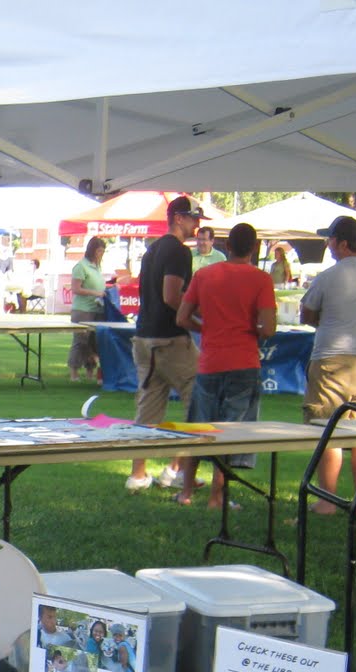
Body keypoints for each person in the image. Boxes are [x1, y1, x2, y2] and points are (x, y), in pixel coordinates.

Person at [173, 222, 277, 508]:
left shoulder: (204, 275)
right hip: (243, 362)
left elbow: (182, 318)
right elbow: (268, 328)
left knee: (198, 428)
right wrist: (248, 330)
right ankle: (217, 497)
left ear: (226, 246)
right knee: (230, 432)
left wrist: (205, 329)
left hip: (210, 361)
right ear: (254, 248)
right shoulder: (261, 279)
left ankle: (186, 492)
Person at [300, 214, 356, 514]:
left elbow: (308, 313)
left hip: (331, 360)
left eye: (330, 239)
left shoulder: (328, 276)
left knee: (328, 431)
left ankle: (327, 500)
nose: (327, 245)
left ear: (341, 243)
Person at [125, 195, 204, 492]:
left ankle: (138, 475)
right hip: (170, 339)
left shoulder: (152, 249)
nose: (197, 225)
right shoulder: (179, 252)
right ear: (179, 218)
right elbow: (172, 296)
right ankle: (176, 470)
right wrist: (198, 322)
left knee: (147, 409)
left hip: (144, 337)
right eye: (194, 218)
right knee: (197, 402)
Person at [68, 237, 107, 382]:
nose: (101, 254)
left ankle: (91, 371)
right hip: (83, 310)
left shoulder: (97, 267)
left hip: (96, 309)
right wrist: (95, 293)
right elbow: (76, 288)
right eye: (99, 251)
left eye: (103, 251)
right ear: (92, 250)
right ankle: (74, 372)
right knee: (80, 341)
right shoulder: (81, 267)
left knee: (94, 342)